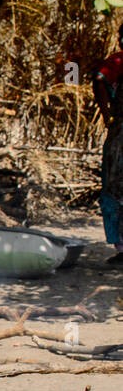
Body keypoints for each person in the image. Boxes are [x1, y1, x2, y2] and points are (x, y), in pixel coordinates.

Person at [91, 23, 123, 264]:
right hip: (120, 134)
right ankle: (121, 247)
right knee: (115, 187)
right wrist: (107, 114)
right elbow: (98, 80)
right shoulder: (116, 63)